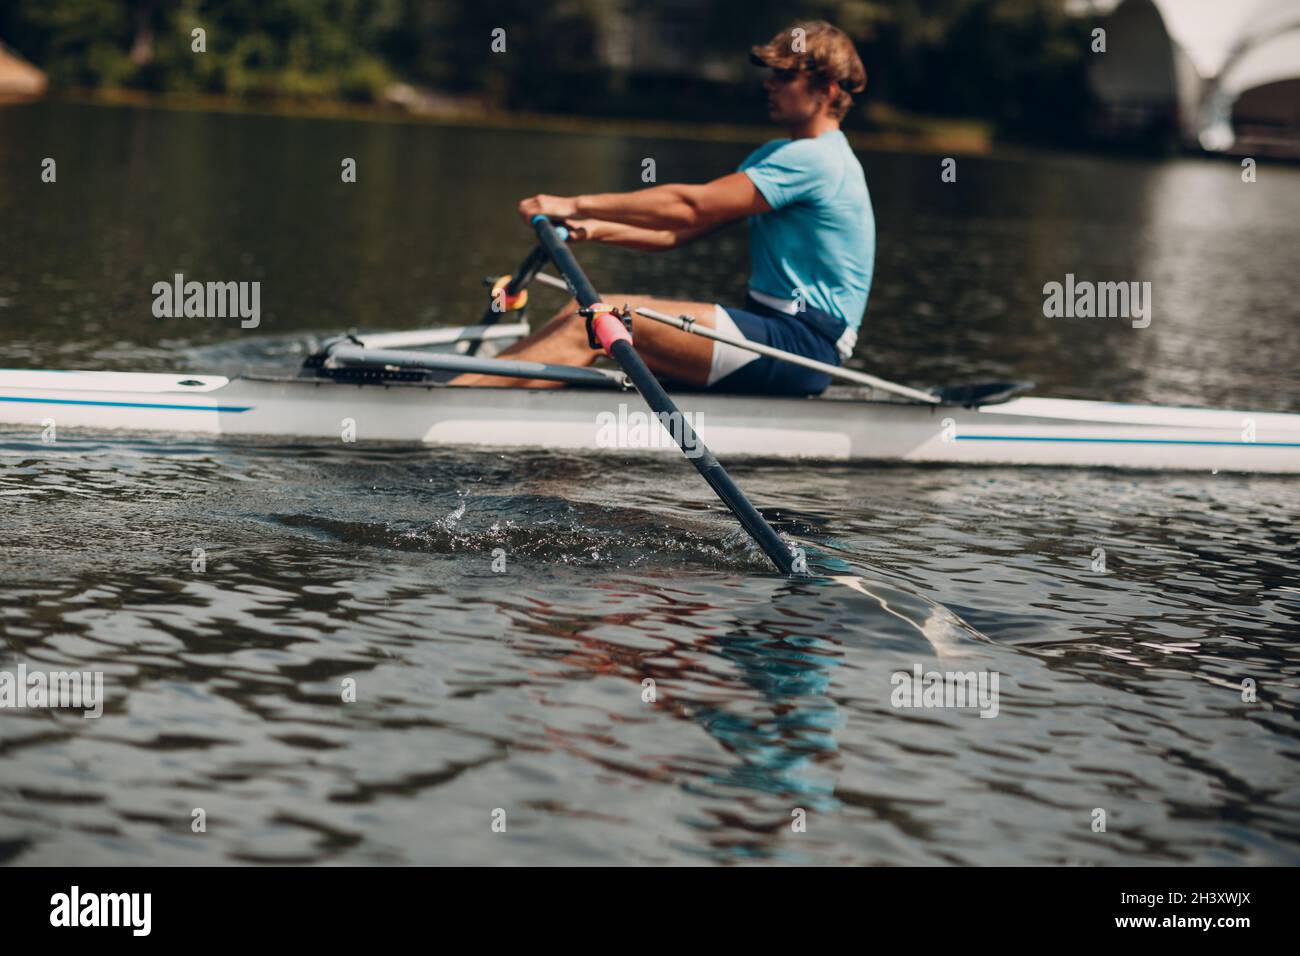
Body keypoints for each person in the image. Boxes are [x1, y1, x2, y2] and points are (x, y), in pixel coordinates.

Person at [455, 20, 873, 395]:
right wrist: (593, 227)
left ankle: (449, 399)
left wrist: (573, 203)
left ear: (826, 90)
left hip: (800, 346)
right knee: (582, 313)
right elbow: (677, 232)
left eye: (785, 75)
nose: (770, 84)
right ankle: (468, 388)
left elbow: (691, 206)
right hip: (773, 331)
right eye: (772, 74)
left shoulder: (817, 160)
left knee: (599, 323)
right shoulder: (779, 153)